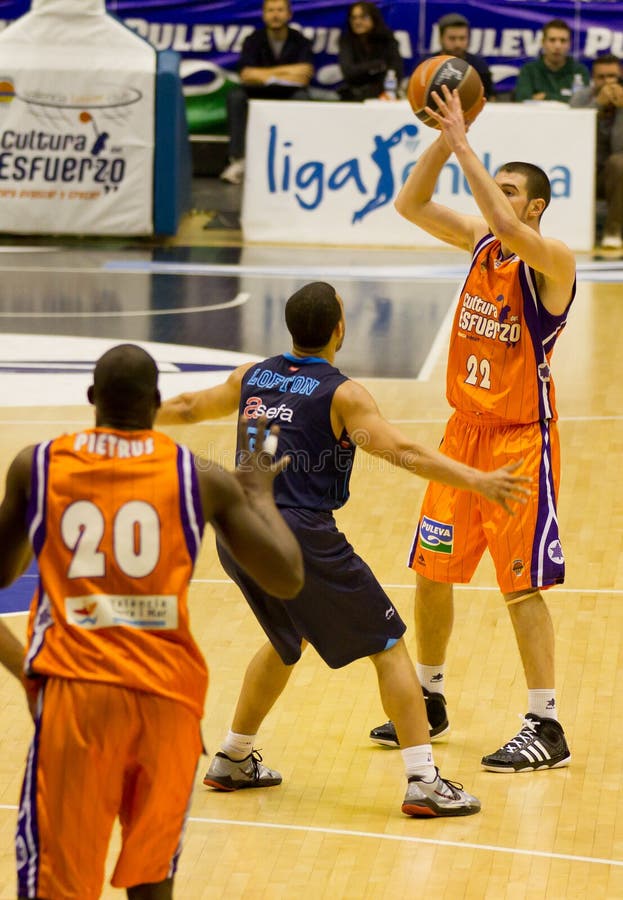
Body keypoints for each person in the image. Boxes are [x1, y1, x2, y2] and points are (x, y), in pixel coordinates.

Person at [157, 281, 530, 818]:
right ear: (339, 329)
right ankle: (423, 780)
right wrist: (477, 480)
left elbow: (190, 406)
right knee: (388, 643)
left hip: (238, 534)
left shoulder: (251, 376)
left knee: (289, 640)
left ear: (290, 328)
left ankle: (234, 755)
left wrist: (126, 417)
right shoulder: (343, 393)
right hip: (298, 538)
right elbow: (401, 450)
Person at [0, 343, 304, 900]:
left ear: (92, 399)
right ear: (156, 402)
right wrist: (258, 492)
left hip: (77, 699)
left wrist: (27, 670)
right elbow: (287, 578)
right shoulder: (201, 478)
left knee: (57, 887)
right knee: (151, 881)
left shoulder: (36, 465)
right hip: (166, 702)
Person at [369, 85, 575, 774]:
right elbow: (409, 205)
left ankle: (545, 723)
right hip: (463, 436)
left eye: (510, 188)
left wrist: (464, 140)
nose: (498, 196)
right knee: (431, 570)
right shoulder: (479, 242)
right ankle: (428, 697)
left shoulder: (551, 260)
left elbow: (505, 226)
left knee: (519, 585)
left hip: (519, 442)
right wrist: (446, 134)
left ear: (533, 206)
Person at [220, 0, 314, 185]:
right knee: (235, 96)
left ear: (289, 14)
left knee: (303, 98)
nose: (275, 15)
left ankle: (297, 158)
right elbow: (246, 75)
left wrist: (264, 73)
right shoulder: (253, 39)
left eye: (280, 10)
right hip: (256, 91)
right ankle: (238, 159)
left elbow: (304, 76)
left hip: (289, 92)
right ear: (264, 15)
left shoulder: (300, 40)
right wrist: (287, 71)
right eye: (270, 10)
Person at [570, 53, 623, 249]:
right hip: (583, 170)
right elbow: (572, 137)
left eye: (612, 77)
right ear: (593, 78)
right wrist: (598, 105)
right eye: (601, 77)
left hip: (616, 175)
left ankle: (613, 232)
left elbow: (620, 148)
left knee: (619, 163)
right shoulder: (580, 98)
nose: (607, 83)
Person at [419, 12, 495, 101]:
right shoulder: (427, 65)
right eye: (452, 38)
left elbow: (490, 98)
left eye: (462, 38)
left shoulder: (479, 66)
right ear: (440, 38)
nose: (457, 44)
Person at [337, 2, 403, 102]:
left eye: (363, 17)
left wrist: (364, 70)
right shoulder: (346, 40)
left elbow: (395, 71)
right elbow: (348, 71)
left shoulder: (387, 39)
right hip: (354, 96)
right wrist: (377, 65)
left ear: (374, 18)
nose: (357, 22)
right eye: (353, 18)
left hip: (383, 96)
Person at [514, 18, 589, 103]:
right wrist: (564, 98)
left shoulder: (579, 70)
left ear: (569, 44)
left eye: (563, 41)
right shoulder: (529, 70)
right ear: (543, 42)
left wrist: (545, 96)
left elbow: (582, 102)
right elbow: (522, 100)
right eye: (552, 40)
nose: (557, 46)